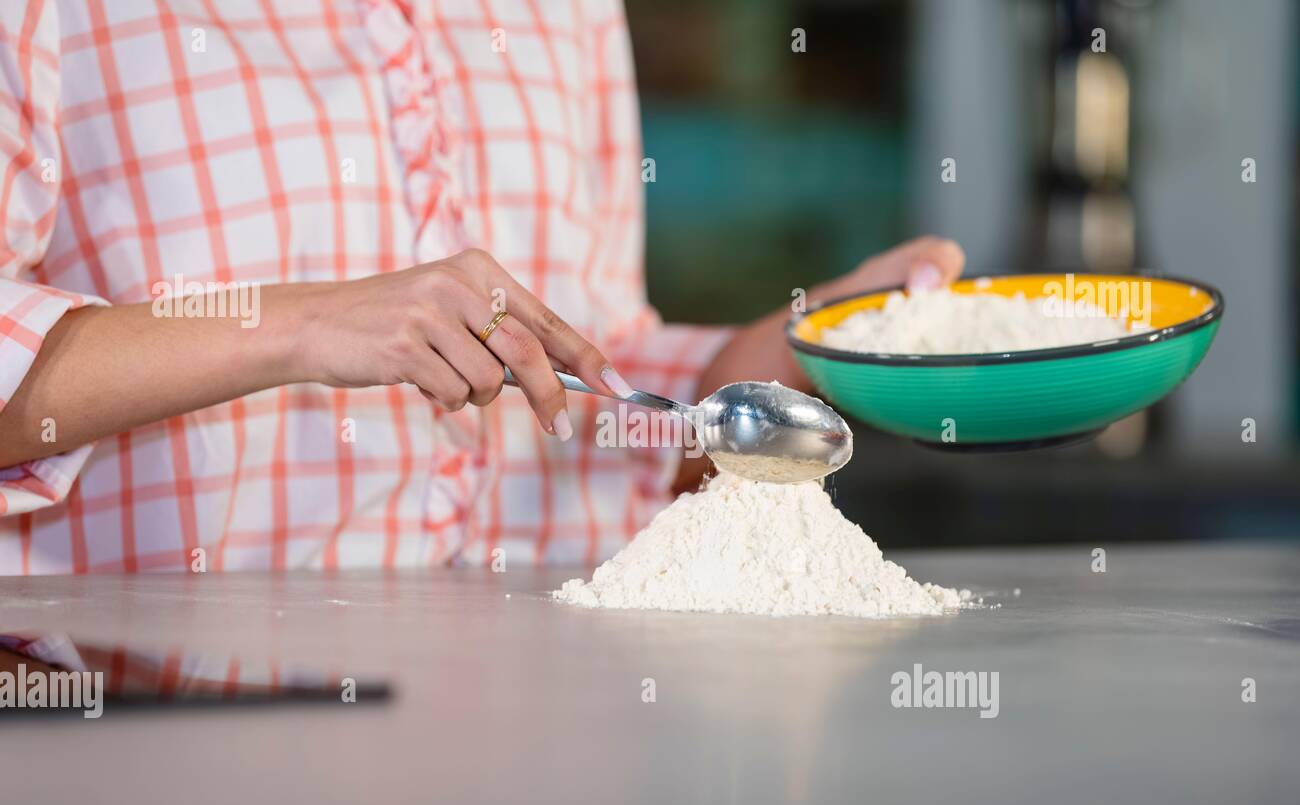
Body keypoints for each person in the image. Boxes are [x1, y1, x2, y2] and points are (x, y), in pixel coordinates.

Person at [0, 0, 963, 573]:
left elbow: (594, 375)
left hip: (544, 741)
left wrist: (824, 340)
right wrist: (301, 324)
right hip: (177, 753)